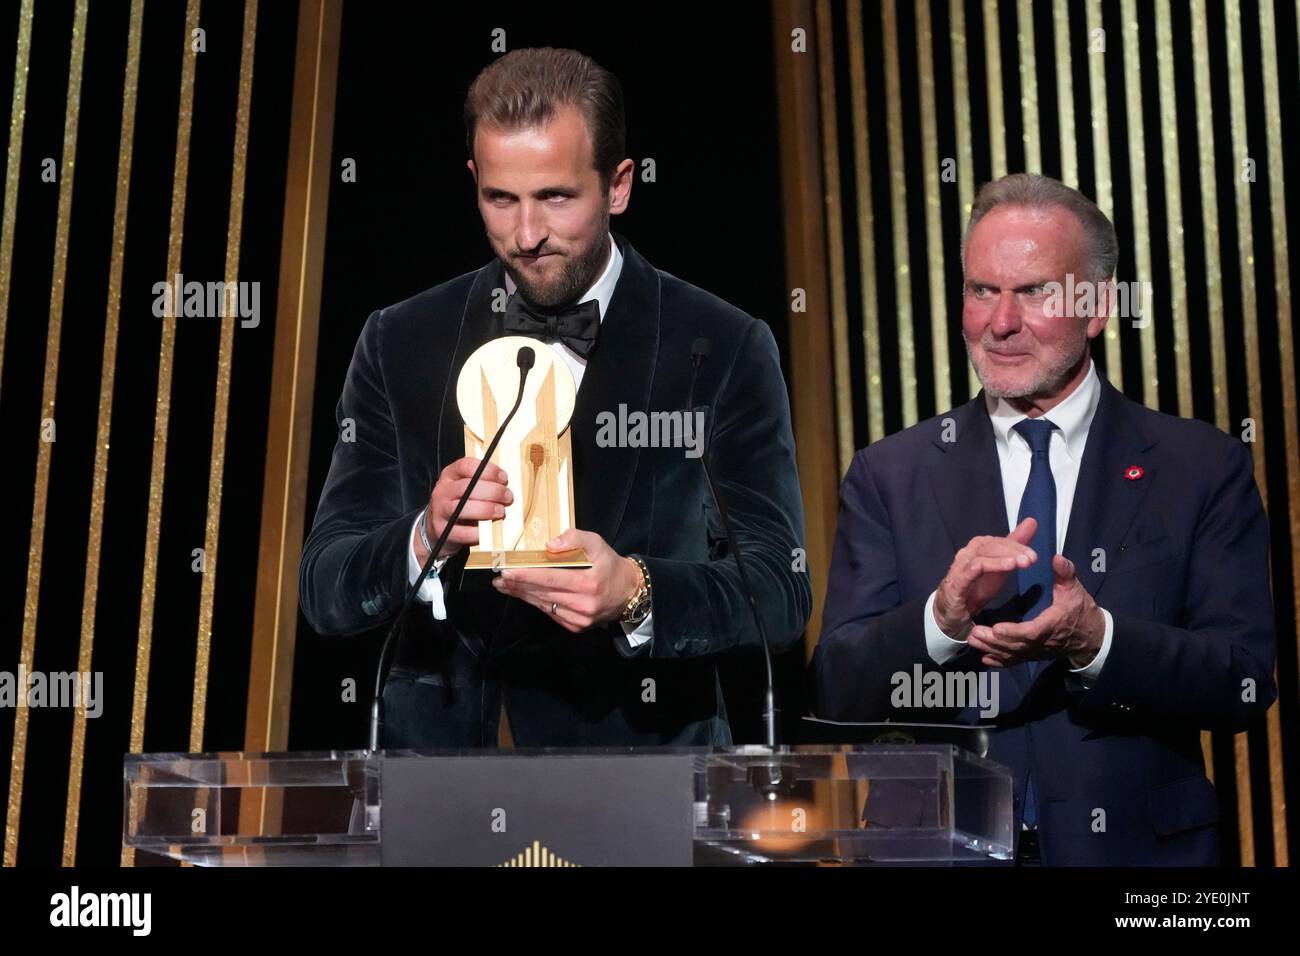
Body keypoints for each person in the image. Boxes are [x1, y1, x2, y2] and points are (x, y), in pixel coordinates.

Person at [300, 48, 810, 748]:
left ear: (620, 184)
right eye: (500, 199)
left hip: (642, 787)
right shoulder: (400, 340)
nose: (527, 234)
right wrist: (422, 536)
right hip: (440, 787)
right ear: (474, 180)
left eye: (556, 198)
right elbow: (327, 585)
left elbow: (780, 596)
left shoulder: (721, 347)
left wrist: (636, 592)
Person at [812, 173, 1276, 865]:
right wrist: (940, 619)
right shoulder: (891, 473)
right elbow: (836, 692)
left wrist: (1098, 640)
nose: (999, 322)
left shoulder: (1199, 467)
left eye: (1032, 292)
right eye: (980, 290)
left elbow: (1243, 681)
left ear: (1096, 309)